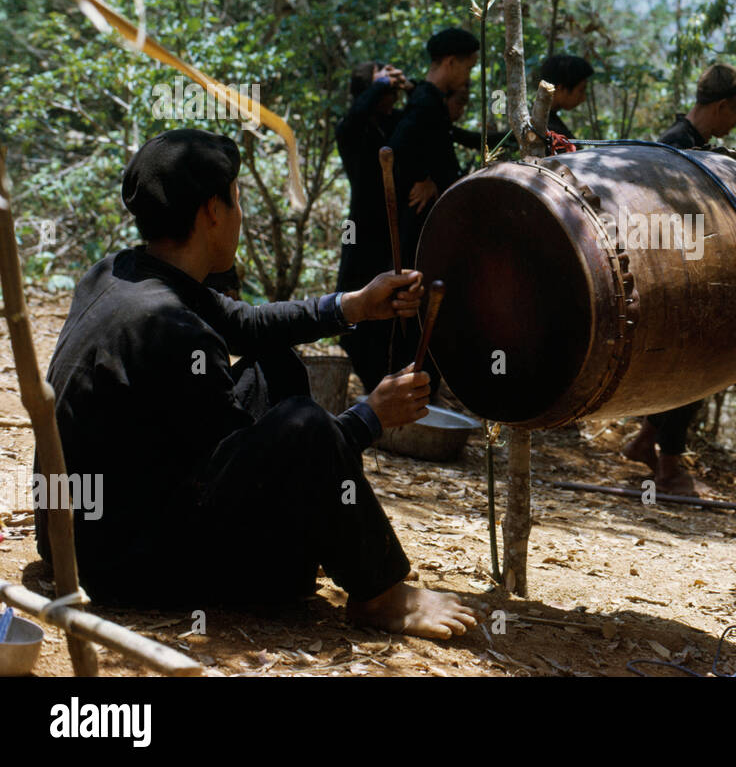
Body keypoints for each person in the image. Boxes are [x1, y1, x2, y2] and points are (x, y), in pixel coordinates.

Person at [36, 129, 478, 640]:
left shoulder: (119, 272)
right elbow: (228, 461)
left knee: (277, 365)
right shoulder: (173, 334)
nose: (240, 213)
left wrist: (355, 304)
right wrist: (369, 418)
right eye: (238, 197)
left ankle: (323, 523)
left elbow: (243, 324)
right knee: (306, 426)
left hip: (79, 526)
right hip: (118, 563)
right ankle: (380, 594)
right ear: (212, 212)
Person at [621, 63, 736, 495]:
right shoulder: (675, 149)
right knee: (695, 367)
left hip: (686, 269)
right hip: (672, 275)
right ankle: (670, 466)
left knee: (694, 365)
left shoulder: (692, 144)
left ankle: (646, 441)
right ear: (721, 106)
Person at [336, 61, 413, 391]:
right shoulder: (351, 127)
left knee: (393, 301)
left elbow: (421, 119)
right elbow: (356, 114)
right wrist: (379, 85)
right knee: (357, 294)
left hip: (394, 227)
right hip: (359, 226)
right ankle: (370, 380)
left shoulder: (392, 125)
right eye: (382, 88)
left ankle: (388, 378)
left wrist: (410, 86)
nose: (389, 95)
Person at [389, 27, 481, 265]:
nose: (468, 77)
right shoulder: (425, 102)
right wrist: (423, 179)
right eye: (468, 68)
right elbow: (399, 143)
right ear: (450, 62)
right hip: (420, 216)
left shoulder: (428, 96)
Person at [538, 53, 594, 139]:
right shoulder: (540, 128)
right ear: (561, 89)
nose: (583, 98)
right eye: (581, 90)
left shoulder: (550, 122)